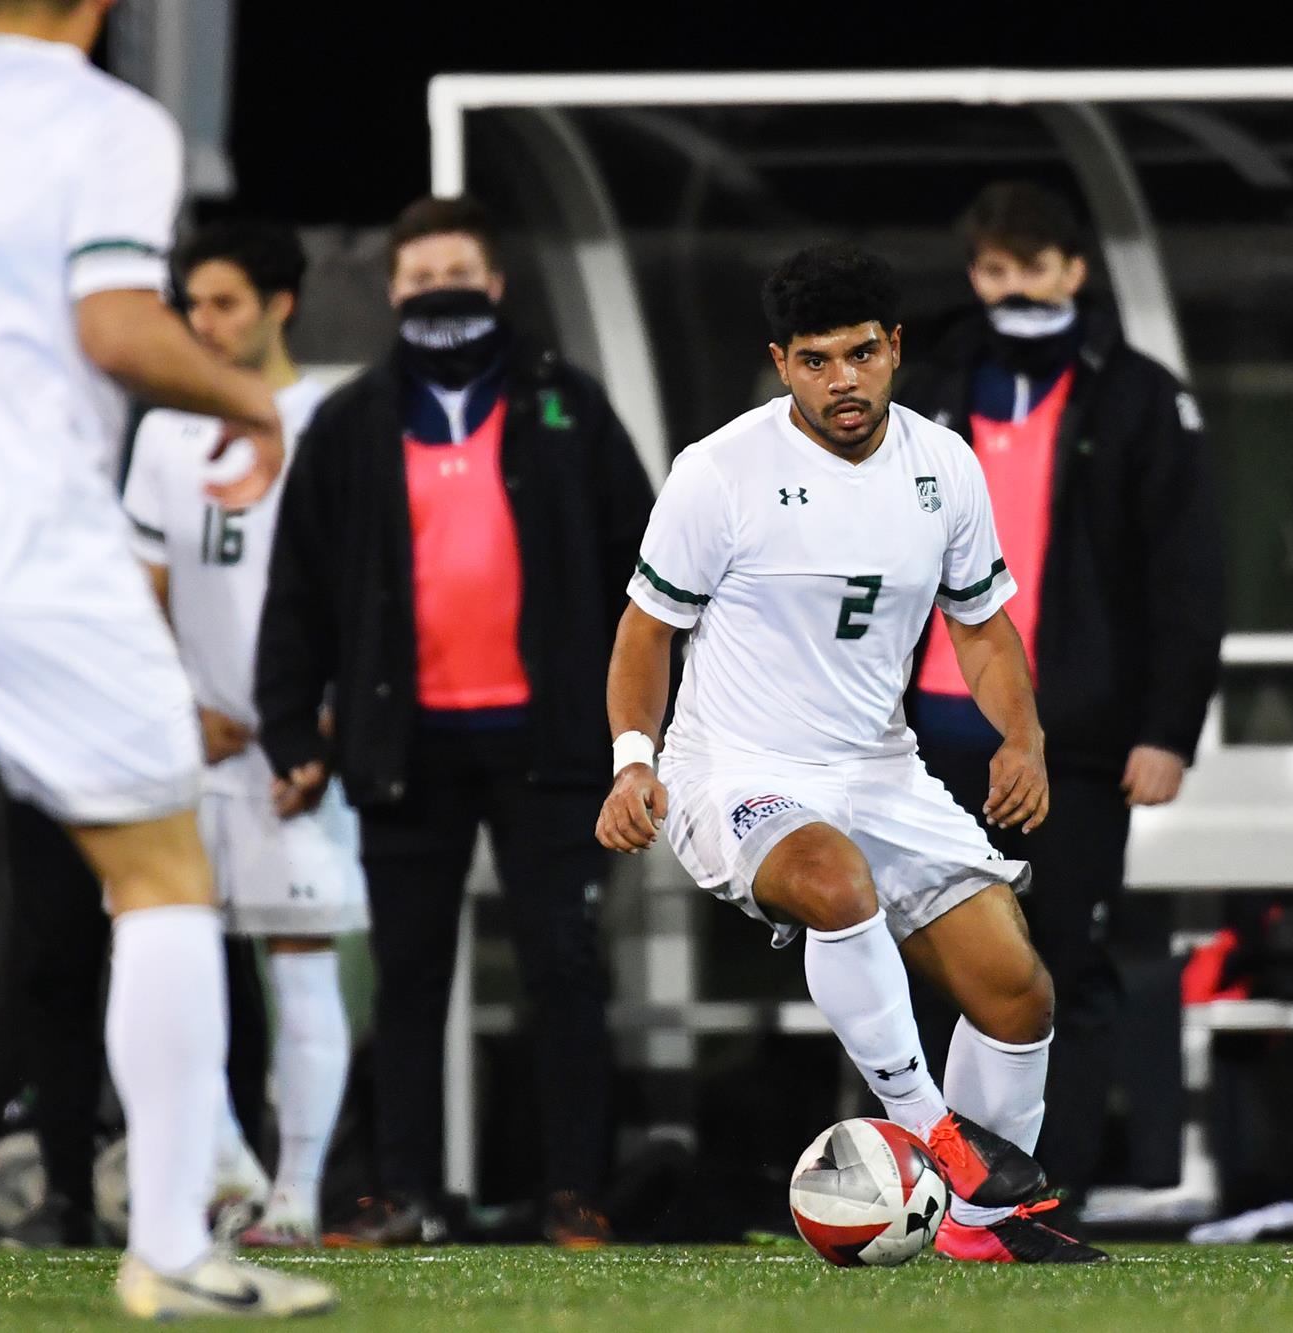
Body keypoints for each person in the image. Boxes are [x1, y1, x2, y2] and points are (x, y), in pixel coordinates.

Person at [0, 0, 331, 1318]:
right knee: (162, 872)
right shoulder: (107, 122)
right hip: (27, 548)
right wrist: (255, 402)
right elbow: (117, 328)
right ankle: (176, 1246)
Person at [598, 241, 1107, 1264]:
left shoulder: (942, 464)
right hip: (734, 768)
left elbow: (980, 626)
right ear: (780, 363)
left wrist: (1023, 735)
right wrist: (632, 759)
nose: (843, 380)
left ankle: (979, 1231)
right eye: (817, 360)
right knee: (833, 881)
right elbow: (645, 631)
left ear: (895, 348)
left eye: (862, 354)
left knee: (1016, 990)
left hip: (878, 767)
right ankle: (934, 1134)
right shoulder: (719, 472)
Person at [256, 195, 650, 1248]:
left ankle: (577, 1191)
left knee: (564, 966)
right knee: (409, 974)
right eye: (422, 277)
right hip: (406, 744)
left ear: (497, 284)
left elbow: (649, 570)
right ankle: (403, 1192)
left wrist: (651, 728)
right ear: (392, 290)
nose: (441, 293)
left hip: (551, 741)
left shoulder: (567, 403)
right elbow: (297, 588)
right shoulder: (350, 422)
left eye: (458, 275)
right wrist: (290, 730)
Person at [897, 182, 1222, 1215]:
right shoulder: (929, 386)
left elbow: (1186, 574)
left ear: (1075, 271)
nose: (1015, 289)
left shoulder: (1137, 396)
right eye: (995, 269)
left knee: (1064, 965)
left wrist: (1167, 729)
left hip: (1072, 735)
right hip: (927, 732)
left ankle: (1045, 1190)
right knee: (924, 968)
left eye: (1033, 267)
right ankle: (928, 1189)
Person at [122, 221, 367, 1248]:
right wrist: (175, 708)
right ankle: (222, 1171)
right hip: (191, 746)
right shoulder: (163, 434)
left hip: (293, 749)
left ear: (280, 305)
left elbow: (365, 589)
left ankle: (296, 1197)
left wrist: (325, 722)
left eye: (224, 303)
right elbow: (143, 589)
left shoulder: (335, 422)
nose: (203, 324)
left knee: (299, 960)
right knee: (168, 948)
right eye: (192, 305)